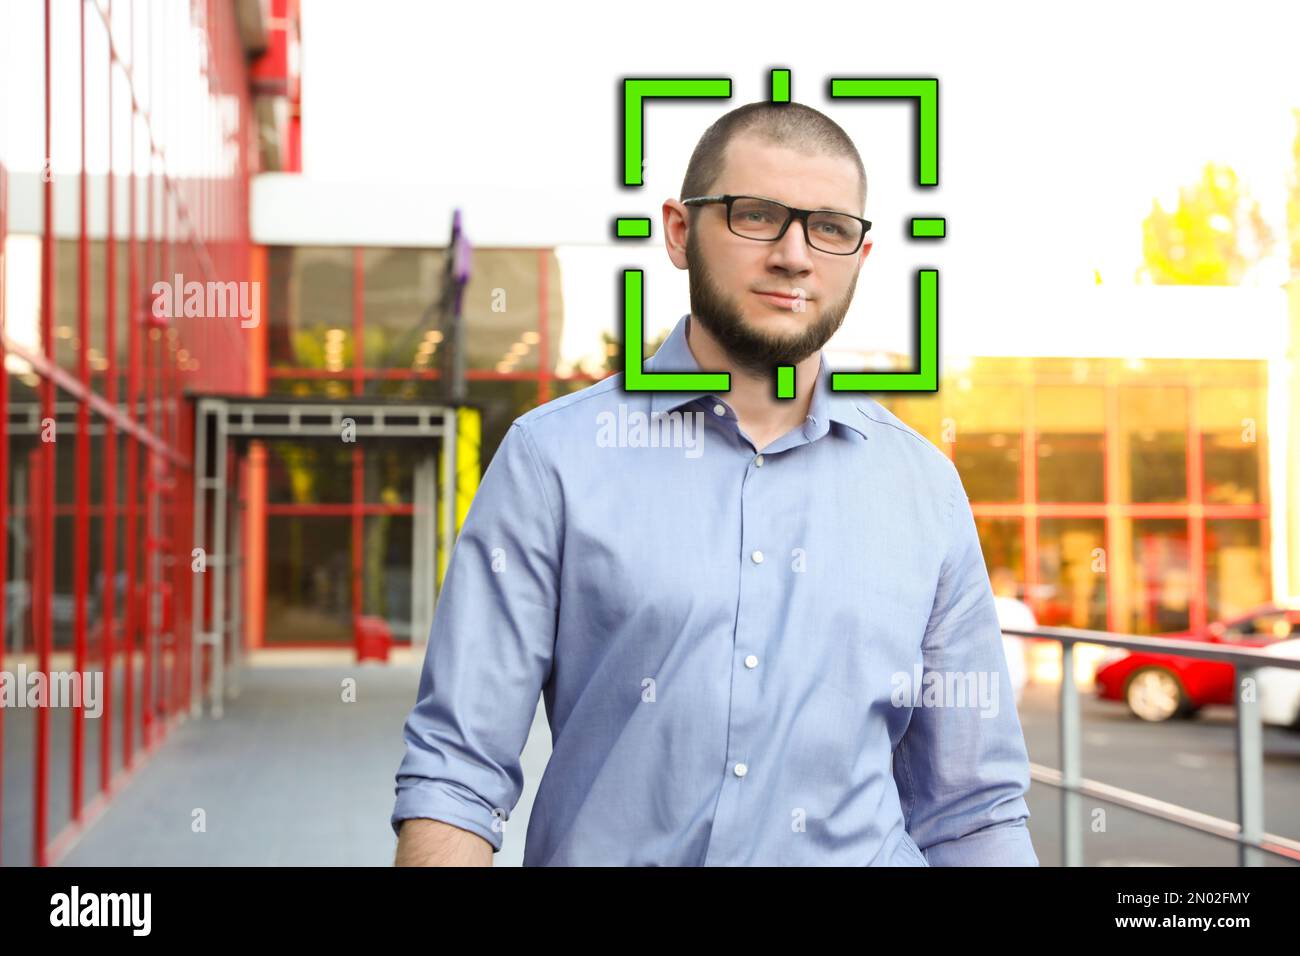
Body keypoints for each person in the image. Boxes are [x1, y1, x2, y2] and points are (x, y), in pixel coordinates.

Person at [391, 101, 1037, 866]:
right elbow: (457, 774)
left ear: (859, 257)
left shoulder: (923, 489)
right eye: (756, 215)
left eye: (829, 228)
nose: (795, 255)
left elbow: (972, 811)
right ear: (678, 231)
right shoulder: (554, 458)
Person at [989, 567, 1033, 705]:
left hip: (987, 671)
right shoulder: (1020, 609)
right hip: (1015, 671)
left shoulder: (986, 606)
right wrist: (1032, 670)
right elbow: (1030, 643)